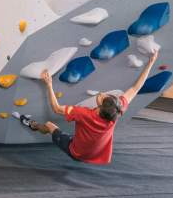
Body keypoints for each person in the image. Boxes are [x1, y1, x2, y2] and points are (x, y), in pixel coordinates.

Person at [17, 49, 159, 165]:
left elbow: (56, 108)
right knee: (78, 137)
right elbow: (135, 89)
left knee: (49, 125)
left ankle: (32, 124)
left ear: (99, 107)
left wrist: (49, 84)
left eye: (102, 97)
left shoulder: (84, 114)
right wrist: (151, 62)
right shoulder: (116, 112)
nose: (103, 93)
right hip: (94, 153)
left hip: (77, 152)